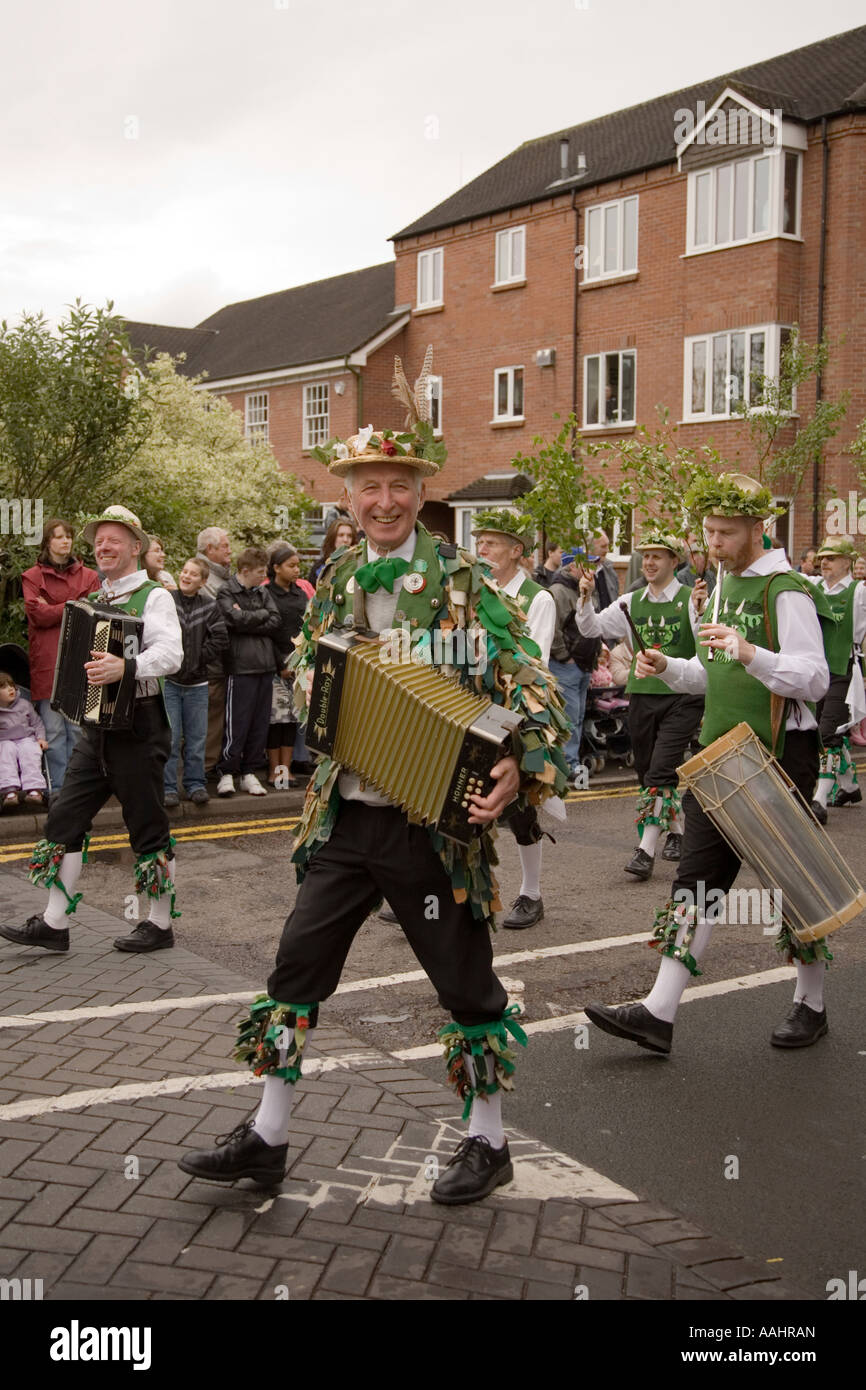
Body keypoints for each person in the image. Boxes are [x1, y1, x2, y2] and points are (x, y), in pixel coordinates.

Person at [178, 362, 568, 1203]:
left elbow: (530, 684)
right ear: (348, 498)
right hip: (344, 821)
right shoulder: (336, 585)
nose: (383, 500)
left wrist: (517, 763)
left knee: (463, 982)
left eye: (398, 485)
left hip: (431, 823)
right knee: (295, 970)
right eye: (367, 488)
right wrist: (316, 688)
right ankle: (268, 1139)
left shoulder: (465, 584)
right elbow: (304, 666)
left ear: (420, 491)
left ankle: (488, 1140)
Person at [585, 474, 833, 1055]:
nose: (714, 542)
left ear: (757, 529)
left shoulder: (786, 590)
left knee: (791, 885)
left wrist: (752, 653)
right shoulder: (719, 587)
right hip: (718, 753)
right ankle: (658, 1012)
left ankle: (812, 1002)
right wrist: (668, 667)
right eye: (709, 532)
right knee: (696, 881)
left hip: (778, 755)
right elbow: (709, 675)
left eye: (725, 532)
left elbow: (815, 679)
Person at [0, 505, 184, 956]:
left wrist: (129, 665)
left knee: (147, 827)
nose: (103, 547)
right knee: (64, 819)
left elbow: (173, 656)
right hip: (96, 728)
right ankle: (54, 922)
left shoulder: (154, 596)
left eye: (114, 540)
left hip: (140, 726)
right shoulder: (95, 599)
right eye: (99, 540)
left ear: (135, 548)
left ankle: (160, 924)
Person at [576, 531, 703, 879]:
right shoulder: (629, 602)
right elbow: (592, 629)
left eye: (657, 556)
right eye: (645, 556)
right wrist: (585, 598)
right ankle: (676, 832)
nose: (648, 562)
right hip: (643, 694)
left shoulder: (693, 600)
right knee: (648, 773)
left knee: (662, 770)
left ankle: (645, 850)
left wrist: (703, 611)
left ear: (674, 562)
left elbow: (705, 646)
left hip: (683, 696)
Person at [473, 508, 557, 931]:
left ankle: (531, 893)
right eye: (479, 541)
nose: (481, 548)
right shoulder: (475, 592)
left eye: (491, 542)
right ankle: (444, 889)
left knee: (521, 808)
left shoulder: (538, 598)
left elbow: (532, 662)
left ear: (516, 550)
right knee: (463, 799)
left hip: (519, 711)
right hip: (474, 709)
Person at [21, 518, 99, 793]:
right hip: (47, 665)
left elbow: (92, 614)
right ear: (47, 542)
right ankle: (58, 793)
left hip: (79, 663)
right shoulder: (32, 577)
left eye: (68, 536)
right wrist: (72, 604)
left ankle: (78, 791)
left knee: (78, 732)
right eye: (58, 537)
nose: (65, 541)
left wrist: (54, 606)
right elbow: (37, 615)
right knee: (53, 733)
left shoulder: (89, 576)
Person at [216, 548, 281, 797]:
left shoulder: (262, 591)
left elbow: (275, 621)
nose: (264, 577)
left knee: (259, 723)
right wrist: (258, 618)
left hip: (265, 664)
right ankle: (227, 772)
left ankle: (249, 772)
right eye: (259, 572)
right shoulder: (226, 591)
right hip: (240, 666)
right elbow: (231, 620)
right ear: (244, 571)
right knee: (237, 723)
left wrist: (248, 618)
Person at [809, 536, 866, 822]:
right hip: (816, 669)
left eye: (831, 558)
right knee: (825, 730)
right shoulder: (814, 586)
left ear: (847, 561)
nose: (825, 563)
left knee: (827, 732)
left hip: (844, 670)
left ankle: (819, 799)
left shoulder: (859, 592)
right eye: (823, 558)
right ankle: (850, 787)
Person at [164, 558, 229, 808]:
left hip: (198, 685)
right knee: (170, 738)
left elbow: (220, 638)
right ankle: (168, 787)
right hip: (170, 682)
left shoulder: (210, 606)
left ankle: (195, 784)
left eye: (193, 574)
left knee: (196, 739)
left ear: (203, 581)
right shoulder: (168, 601)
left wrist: (199, 660)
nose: (186, 576)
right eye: (184, 571)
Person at [548, 552, 599, 783]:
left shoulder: (584, 590)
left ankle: (572, 760)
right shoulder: (559, 592)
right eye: (588, 564)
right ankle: (568, 763)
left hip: (583, 665)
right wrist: (565, 656)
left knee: (577, 715)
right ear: (573, 567)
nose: (594, 569)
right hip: (567, 666)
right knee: (569, 716)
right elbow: (553, 629)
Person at [266, 543, 309, 789]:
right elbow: (268, 633)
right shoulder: (267, 594)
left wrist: (301, 658)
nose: (296, 570)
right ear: (276, 568)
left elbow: (306, 628)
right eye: (291, 566)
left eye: (298, 566)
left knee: (292, 718)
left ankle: (287, 771)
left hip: (298, 664)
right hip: (276, 666)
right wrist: (279, 664)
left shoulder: (300, 594)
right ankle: (274, 771)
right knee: (276, 720)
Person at [196, 526, 232, 775]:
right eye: (225, 546)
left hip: (218, 660)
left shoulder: (223, 575)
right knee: (209, 715)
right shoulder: (204, 576)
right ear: (210, 549)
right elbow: (223, 616)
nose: (230, 550)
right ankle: (204, 768)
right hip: (210, 661)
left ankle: (207, 765)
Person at [0, 672, 49, 807]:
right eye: (4, 687)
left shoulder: (24, 704)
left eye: (12, 686)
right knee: (5, 753)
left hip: (25, 738)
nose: (10, 689)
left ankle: (34, 789)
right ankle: (9, 791)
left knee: (30, 751)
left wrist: (41, 738)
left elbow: (37, 723)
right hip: (4, 741)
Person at [308, 518, 359, 586]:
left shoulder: (358, 564)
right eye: (341, 535)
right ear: (333, 538)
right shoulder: (320, 567)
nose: (345, 540)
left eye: (349, 536)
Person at [676, 531, 717, 596]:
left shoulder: (711, 575)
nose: (709, 559)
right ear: (693, 558)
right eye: (704, 555)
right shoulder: (681, 577)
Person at [589, 532, 619, 610]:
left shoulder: (610, 571)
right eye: (603, 546)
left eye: (608, 546)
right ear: (589, 548)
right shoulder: (580, 573)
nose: (607, 550)